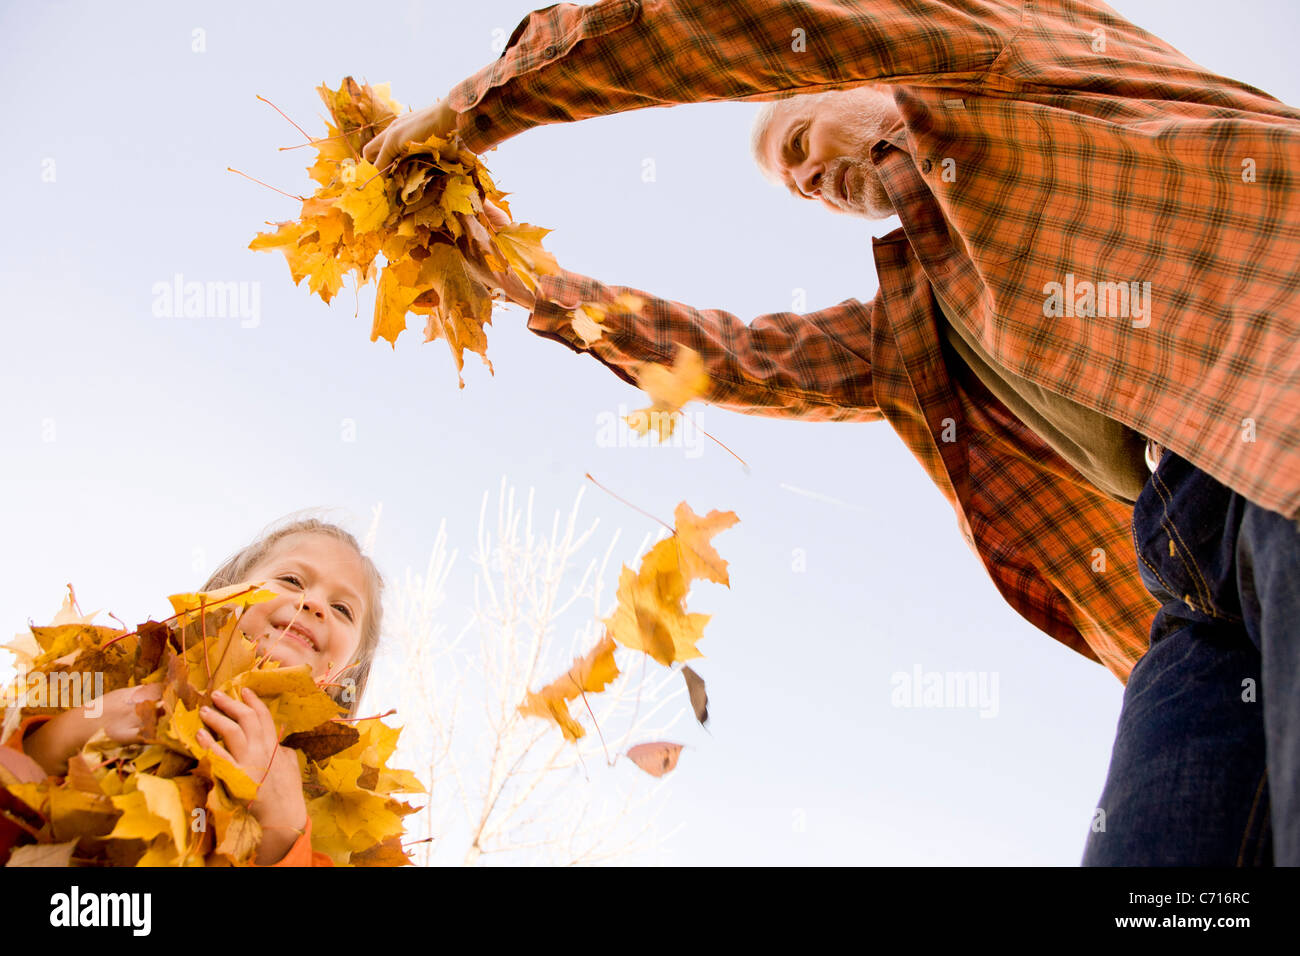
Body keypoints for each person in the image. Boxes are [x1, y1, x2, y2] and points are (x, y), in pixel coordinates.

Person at [363, 0, 1300, 864]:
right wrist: (519, 275)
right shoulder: (931, 323)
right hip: (1196, 577)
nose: (808, 178)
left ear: (872, 74)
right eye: (795, 186)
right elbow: (733, 356)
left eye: (802, 138)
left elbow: (735, 23)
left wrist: (467, 115)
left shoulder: (997, 53)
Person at [3, 516, 385, 866]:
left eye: (343, 609)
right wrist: (57, 738)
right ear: (223, 594)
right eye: (292, 581)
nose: (315, 604)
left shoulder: (325, 813)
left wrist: (282, 830)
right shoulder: (100, 677)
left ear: (352, 671)